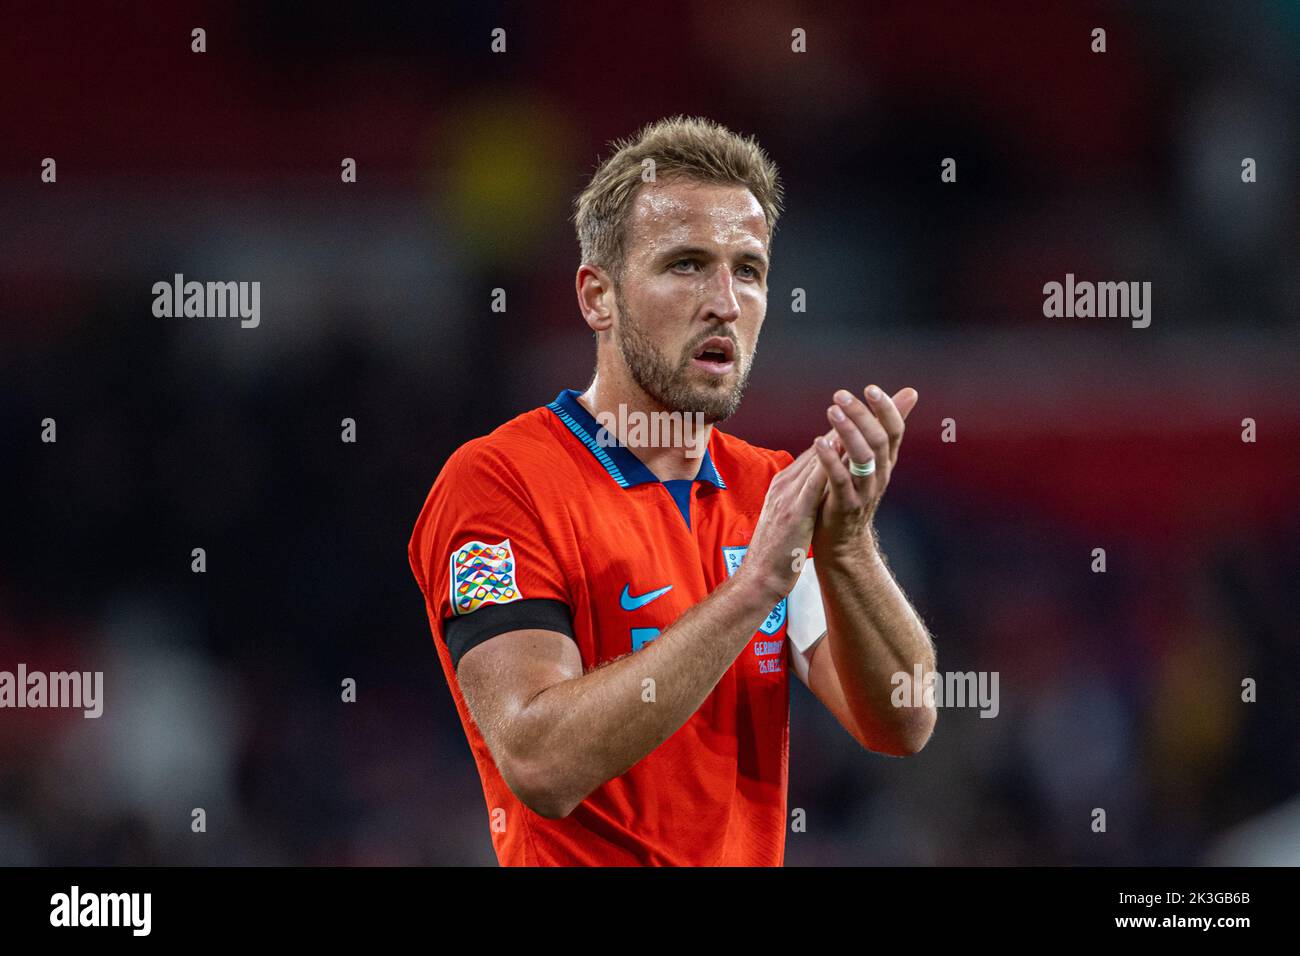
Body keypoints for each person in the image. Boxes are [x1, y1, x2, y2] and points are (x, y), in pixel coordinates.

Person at [408, 115, 937, 865]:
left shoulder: (767, 490)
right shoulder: (501, 482)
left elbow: (903, 722)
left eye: (748, 270)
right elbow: (540, 762)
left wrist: (848, 548)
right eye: (687, 264)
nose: (725, 300)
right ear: (598, 297)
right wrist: (753, 588)